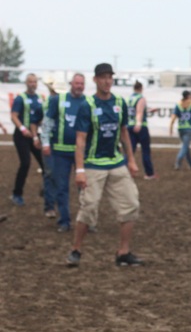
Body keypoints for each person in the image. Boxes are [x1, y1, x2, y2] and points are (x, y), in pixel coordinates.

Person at [66, 63, 143, 268]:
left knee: (131, 204)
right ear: (95, 80)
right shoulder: (87, 105)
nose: (107, 81)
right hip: (93, 165)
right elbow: (80, 139)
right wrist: (80, 170)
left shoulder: (119, 102)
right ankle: (76, 249)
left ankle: (123, 252)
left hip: (116, 162)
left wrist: (131, 160)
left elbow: (124, 132)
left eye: (109, 77)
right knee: (89, 207)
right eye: (102, 77)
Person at [41, 73, 87, 232]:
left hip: (81, 152)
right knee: (61, 187)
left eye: (82, 84)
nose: (79, 86)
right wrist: (45, 142)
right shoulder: (58, 100)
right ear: (71, 84)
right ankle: (64, 221)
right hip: (60, 152)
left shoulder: (88, 102)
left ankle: (86, 221)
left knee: (85, 188)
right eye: (77, 83)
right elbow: (47, 122)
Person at [10, 73, 45, 207]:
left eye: (35, 82)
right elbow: (14, 116)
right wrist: (23, 129)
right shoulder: (20, 98)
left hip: (35, 135)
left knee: (45, 163)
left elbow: (41, 116)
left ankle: (46, 189)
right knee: (25, 163)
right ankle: (17, 194)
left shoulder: (40, 99)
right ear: (26, 83)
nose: (33, 84)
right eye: (30, 82)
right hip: (21, 136)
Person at [127, 81, 157, 180]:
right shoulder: (141, 98)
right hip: (141, 127)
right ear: (141, 88)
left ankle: (124, 171)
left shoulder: (129, 99)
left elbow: (135, 111)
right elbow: (139, 112)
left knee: (130, 151)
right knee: (145, 151)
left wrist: (149, 111)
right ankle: (149, 173)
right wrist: (139, 123)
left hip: (130, 126)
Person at [170, 90, 191, 170]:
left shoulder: (178, 105)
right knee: (185, 146)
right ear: (188, 96)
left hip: (181, 128)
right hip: (189, 128)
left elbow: (173, 118)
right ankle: (178, 161)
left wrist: (171, 127)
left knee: (186, 146)